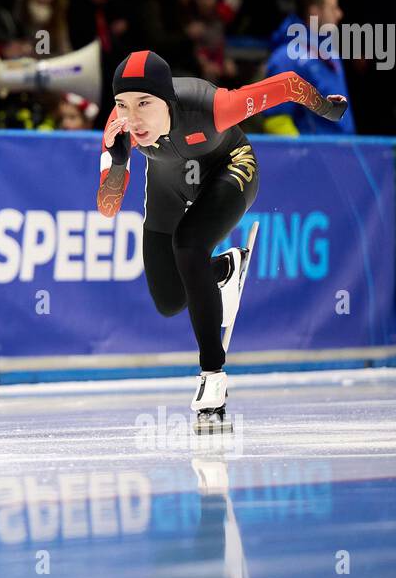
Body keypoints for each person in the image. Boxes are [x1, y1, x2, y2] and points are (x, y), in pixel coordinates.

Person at [95, 50, 349, 415]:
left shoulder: (213, 106)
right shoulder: (118, 128)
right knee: (168, 301)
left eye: (144, 103)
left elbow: (286, 85)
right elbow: (108, 208)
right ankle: (222, 271)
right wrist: (119, 160)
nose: (132, 118)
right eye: (122, 104)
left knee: (188, 244)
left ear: (167, 100)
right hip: (169, 186)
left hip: (229, 169)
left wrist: (327, 108)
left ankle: (212, 374)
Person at [264, 0, 357, 135]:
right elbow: (276, 120)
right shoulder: (286, 59)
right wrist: (306, 156)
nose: (339, 14)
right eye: (333, 8)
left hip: (342, 153)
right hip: (315, 157)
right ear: (315, 12)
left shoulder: (331, 54)